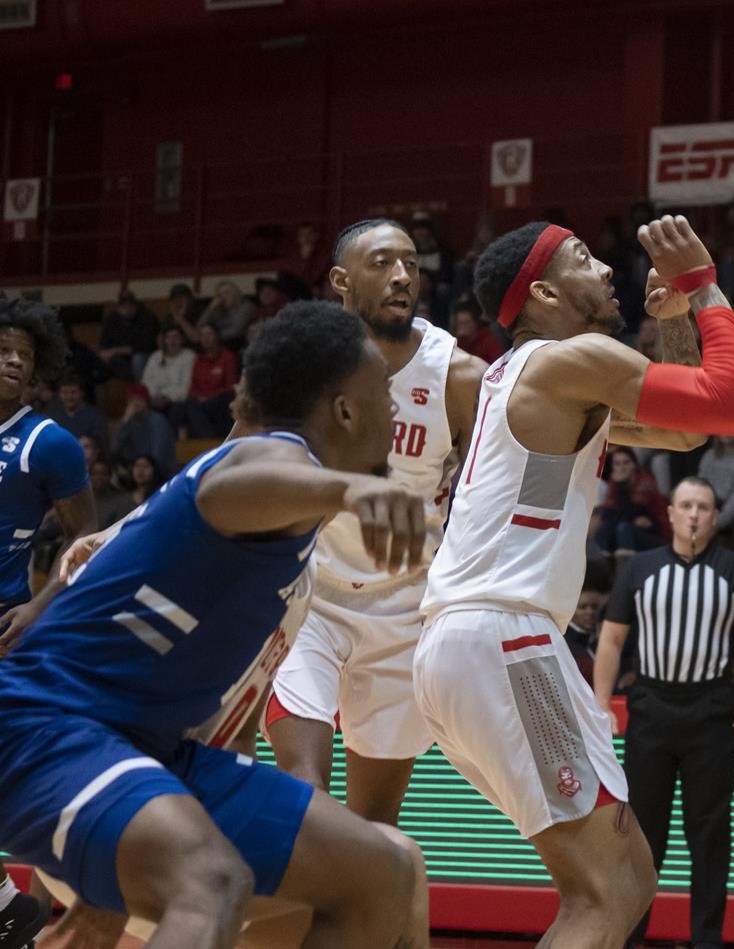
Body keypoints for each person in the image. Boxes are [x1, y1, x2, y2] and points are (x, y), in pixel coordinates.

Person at [0, 301, 429, 947]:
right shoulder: (274, 462)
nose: (396, 418)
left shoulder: (273, 493)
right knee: (210, 880)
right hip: (46, 728)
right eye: (387, 399)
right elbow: (240, 485)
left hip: (151, 749)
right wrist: (349, 491)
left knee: (384, 868)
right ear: (344, 410)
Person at [417, 215, 734, 944]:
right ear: (543, 291)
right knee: (608, 891)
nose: (607, 268)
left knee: (623, 877)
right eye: (584, 258)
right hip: (505, 639)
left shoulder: (532, 376)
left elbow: (685, 431)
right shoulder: (570, 361)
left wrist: (671, 324)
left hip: (467, 643)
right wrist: (702, 284)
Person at [262, 219, 487, 830]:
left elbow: (483, 497)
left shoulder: (457, 375)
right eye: (383, 263)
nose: (401, 277)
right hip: (310, 598)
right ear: (340, 280)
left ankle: (346, 922)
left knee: (375, 827)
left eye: (411, 264)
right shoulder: (304, 363)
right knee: (302, 797)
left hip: (405, 610)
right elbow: (234, 459)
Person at [593, 477, 734, 949]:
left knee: (710, 836)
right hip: (651, 709)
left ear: (716, 518)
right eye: (686, 505)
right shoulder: (639, 568)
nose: (694, 514)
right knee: (642, 839)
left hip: (711, 713)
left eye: (704, 507)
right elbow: (611, 639)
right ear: (670, 514)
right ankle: (630, 940)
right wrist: (599, 704)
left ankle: (707, 941)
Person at [0, 299, 96, 660]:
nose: (14, 360)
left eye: (24, 354)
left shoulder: (48, 441)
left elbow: (84, 529)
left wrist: (41, 605)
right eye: (4, 350)